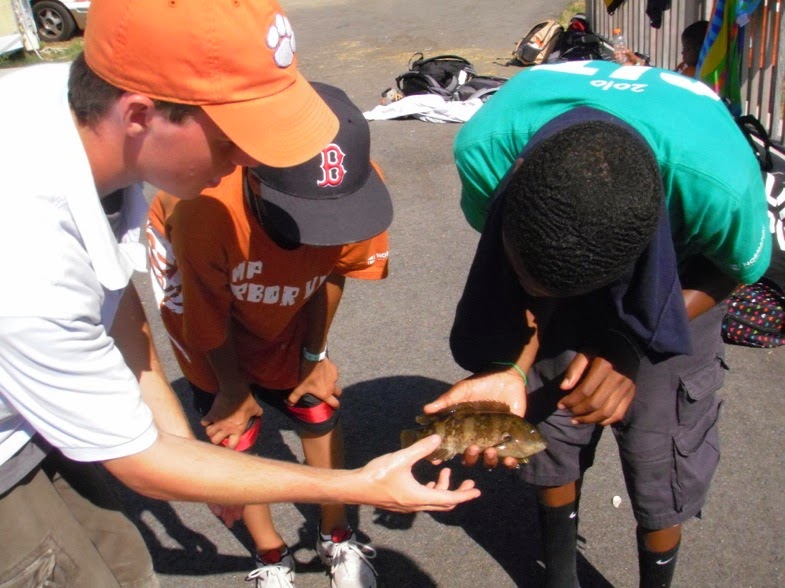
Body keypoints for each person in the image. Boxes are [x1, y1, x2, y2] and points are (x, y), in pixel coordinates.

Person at [0, 0, 479, 585]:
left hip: (39, 410)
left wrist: (193, 457)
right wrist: (356, 485)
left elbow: (119, 311)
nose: (252, 161)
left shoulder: (72, 102)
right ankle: (274, 556)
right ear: (140, 116)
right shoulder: (28, 259)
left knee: (124, 566)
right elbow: (141, 464)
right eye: (234, 141)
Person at [426, 60, 770, 587]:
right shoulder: (486, 149)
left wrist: (630, 340)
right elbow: (528, 279)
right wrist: (511, 367)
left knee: (662, 453)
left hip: (681, 283)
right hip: (565, 239)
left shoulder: (717, 181)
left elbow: (735, 268)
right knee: (548, 429)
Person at [146, 83, 392, 587]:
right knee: (236, 433)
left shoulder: (355, 188)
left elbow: (331, 272)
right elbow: (203, 320)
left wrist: (312, 353)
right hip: (203, 307)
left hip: (280, 302)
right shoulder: (202, 208)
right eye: (307, 219)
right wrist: (234, 391)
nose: (319, 234)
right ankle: (271, 554)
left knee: (317, 407)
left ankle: (336, 536)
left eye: (332, 220)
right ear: (254, 178)